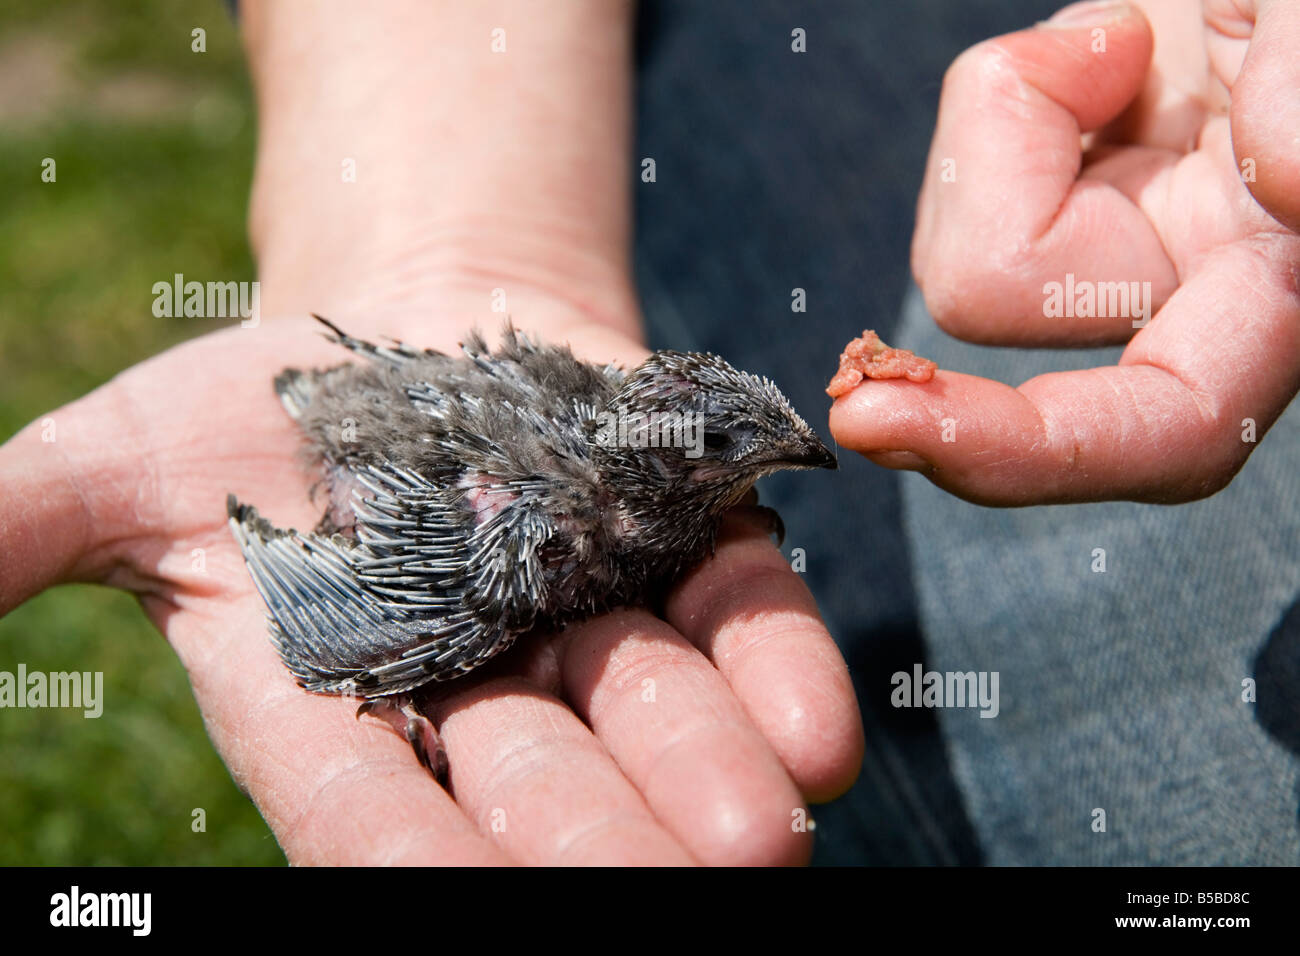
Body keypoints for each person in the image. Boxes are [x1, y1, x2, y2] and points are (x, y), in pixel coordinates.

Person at [1, 0, 1295, 864]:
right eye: (741, 460)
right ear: (670, 469)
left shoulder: (652, 481)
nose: (772, 465)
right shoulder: (535, 543)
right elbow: (433, 547)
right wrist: (441, 225)